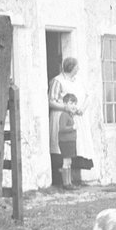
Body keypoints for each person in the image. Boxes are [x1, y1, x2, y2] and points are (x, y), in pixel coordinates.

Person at [49, 57, 87, 188]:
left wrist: (77, 108)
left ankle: (69, 180)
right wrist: (65, 108)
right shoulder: (57, 81)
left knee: (70, 151)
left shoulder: (76, 81)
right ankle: (60, 180)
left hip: (71, 116)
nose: (78, 69)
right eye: (76, 66)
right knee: (60, 148)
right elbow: (51, 101)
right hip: (60, 114)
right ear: (71, 67)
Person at [56, 93, 78, 189]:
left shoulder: (70, 115)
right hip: (65, 142)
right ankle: (66, 184)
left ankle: (69, 183)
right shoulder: (64, 115)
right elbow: (62, 128)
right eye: (70, 103)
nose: (73, 106)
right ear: (65, 104)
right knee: (66, 162)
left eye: (74, 103)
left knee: (69, 162)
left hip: (71, 142)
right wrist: (72, 127)